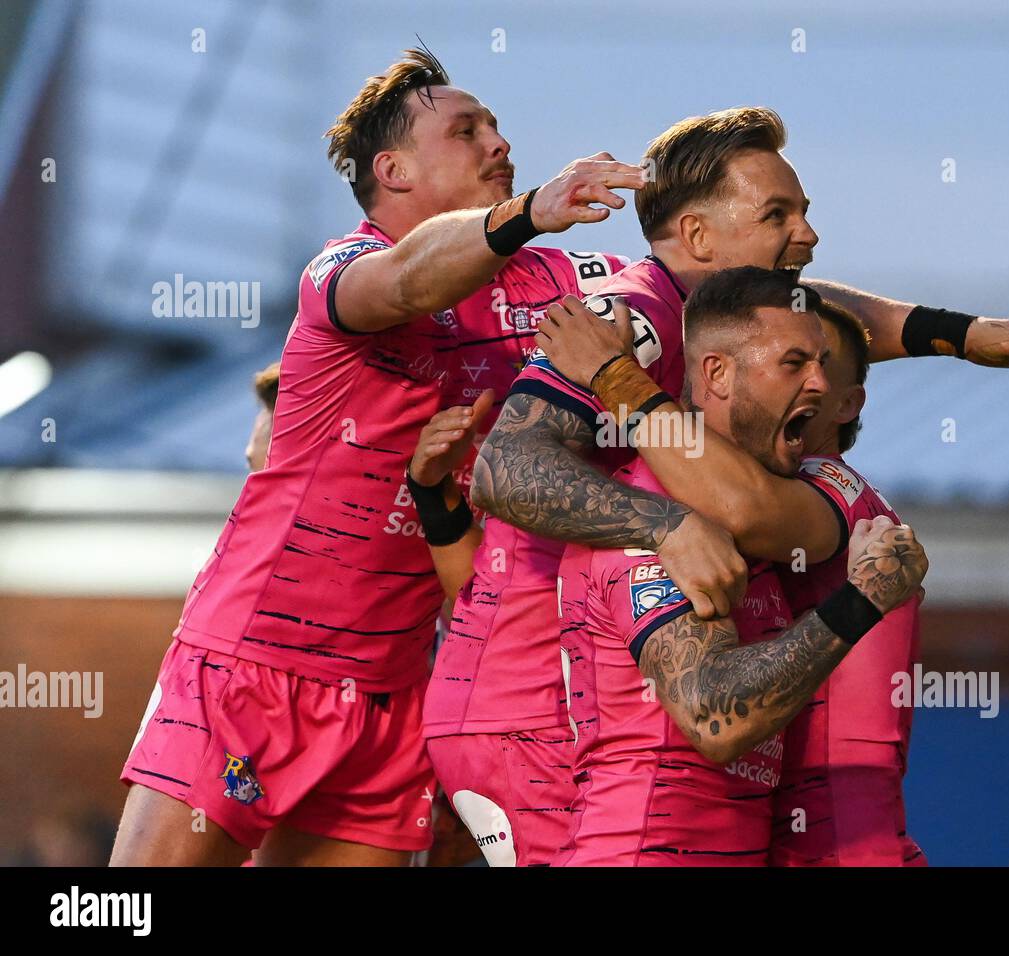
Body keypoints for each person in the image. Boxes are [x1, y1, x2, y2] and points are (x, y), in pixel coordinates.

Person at [427, 106, 1009, 864]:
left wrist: (956, 333)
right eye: (778, 213)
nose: (808, 235)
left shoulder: (721, 341)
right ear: (700, 239)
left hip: (607, 713)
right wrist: (665, 526)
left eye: (805, 212)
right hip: (535, 708)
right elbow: (503, 468)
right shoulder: (637, 318)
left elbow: (825, 319)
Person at [111, 46, 645, 867]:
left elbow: (699, 292)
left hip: (393, 697)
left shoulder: (546, 283)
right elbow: (407, 283)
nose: (499, 142)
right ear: (391, 170)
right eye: (468, 130)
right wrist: (534, 209)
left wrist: (905, 324)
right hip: (251, 667)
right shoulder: (344, 269)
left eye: (497, 126)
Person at [551, 267, 927, 865]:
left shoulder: (820, 497)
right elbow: (713, 716)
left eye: (826, 366)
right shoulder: (651, 515)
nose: (818, 382)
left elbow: (744, 507)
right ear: (717, 374)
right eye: (795, 362)